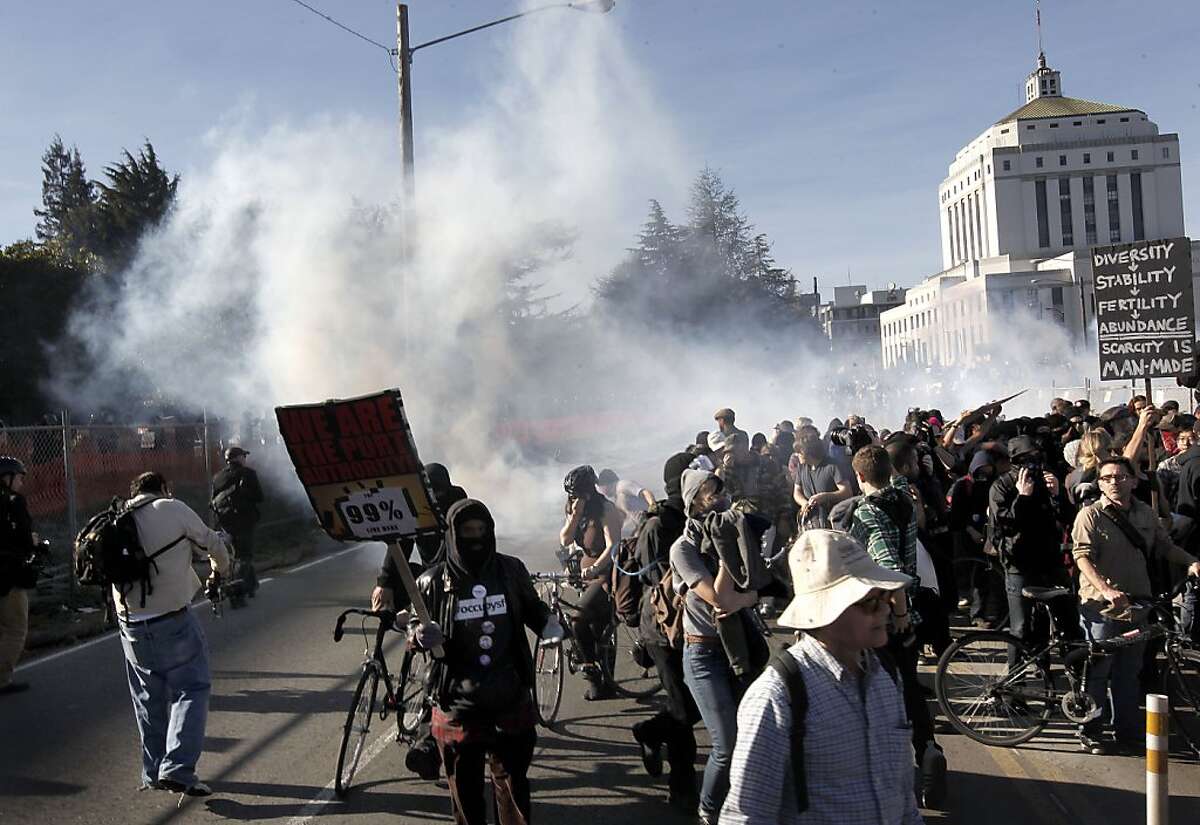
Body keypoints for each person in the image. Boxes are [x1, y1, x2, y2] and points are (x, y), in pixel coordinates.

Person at [720, 530, 922, 825]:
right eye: (870, 602)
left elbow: (904, 799)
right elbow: (746, 816)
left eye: (885, 596)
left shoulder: (887, 675)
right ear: (827, 611)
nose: (885, 610)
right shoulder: (778, 696)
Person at [408, 499, 563, 825]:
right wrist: (418, 634)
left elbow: (533, 608)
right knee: (465, 793)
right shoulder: (432, 581)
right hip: (457, 702)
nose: (476, 537)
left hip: (509, 694)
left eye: (481, 529)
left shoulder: (511, 570)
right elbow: (412, 623)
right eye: (468, 530)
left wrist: (550, 624)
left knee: (513, 786)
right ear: (453, 535)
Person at [838, 445, 945, 808]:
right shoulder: (901, 496)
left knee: (882, 693)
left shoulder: (869, 512)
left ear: (859, 476)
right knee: (910, 686)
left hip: (885, 617)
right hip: (912, 612)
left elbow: (890, 570)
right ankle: (928, 749)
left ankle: (892, 767)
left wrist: (898, 613)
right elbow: (893, 474)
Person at [1070, 456, 1200, 754]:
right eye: (1106, 478)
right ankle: (1090, 730)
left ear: (1132, 480)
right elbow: (1082, 558)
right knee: (1097, 673)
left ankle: (1126, 731)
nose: (1113, 482)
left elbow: (1165, 546)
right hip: (1101, 608)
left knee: (1129, 673)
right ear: (1099, 483)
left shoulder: (1144, 513)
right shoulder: (1090, 515)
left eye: (1119, 477)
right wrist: (1105, 589)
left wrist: (1191, 561)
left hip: (1138, 605)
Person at [117, 472, 231, 796]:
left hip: (130, 624)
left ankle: (153, 772)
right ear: (164, 489)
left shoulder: (119, 517)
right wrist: (219, 572)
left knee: (147, 699)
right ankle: (178, 768)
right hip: (172, 620)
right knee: (192, 688)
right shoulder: (172, 508)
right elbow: (213, 543)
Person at [670, 468, 761, 825]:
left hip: (736, 649)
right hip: (703, 655)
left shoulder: (731, 532)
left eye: (720, 492)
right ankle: (708, 810)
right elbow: (718, 599)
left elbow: (756, 590)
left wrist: (745, 599)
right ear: (694, 503)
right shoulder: (683, 549)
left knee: (752, 737)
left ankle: (743, 804)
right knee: (726, 744)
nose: (720, 499)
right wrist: (725, 552)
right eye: (711, 494)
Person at [372, 461, 468, 781]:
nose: (432, 499)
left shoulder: (457, 507)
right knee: (402, 579)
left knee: (441, 668)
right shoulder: (414, 505)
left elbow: (457, 558)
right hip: (428, 580)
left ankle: (430, 742)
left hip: (455, 586)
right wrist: (384, 583)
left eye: (436, 494)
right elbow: (400, 542)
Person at [632, 453, 702, 813]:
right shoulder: (658, 525)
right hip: (664, 628)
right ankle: (682, 786)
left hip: (699, 623)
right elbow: (655, 578)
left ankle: (651, 731)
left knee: (697, 702)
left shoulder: (698, 518)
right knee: (681, 706)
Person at [988, 436, 1078, 668]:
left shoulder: (1046, 481)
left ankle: (1052, 670)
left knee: (1064, 620)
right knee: (1021, 626)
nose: (1033, 464)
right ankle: (1014, 680)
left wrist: (1058, 494)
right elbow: (1006, 524)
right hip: (1019, 563)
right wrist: (1023, 497)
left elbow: (1069, 518)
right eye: (1026, 459)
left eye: (1037, 457)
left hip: (1050, 560)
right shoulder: (1003, 485)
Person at [559, 465, 623, 699]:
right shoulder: (574, 508)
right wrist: (575, 515)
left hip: (605, 573)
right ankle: (601, 683)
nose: (574, 498)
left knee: (579, 619)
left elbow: (613, 545)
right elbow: (565, 539)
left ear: (589, 491)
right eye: (571, 495)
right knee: (595, 628)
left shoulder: (606, 508)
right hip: (584, 572)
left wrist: (596, 568)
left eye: (578, 493)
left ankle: (594, 672)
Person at [210, 446, 264, 606]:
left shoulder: (217, 477)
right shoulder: (248, 473)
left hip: (225, 522)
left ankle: (251, 585)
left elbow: (213, 501)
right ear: (239, 458)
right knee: (243, 556)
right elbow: (259, 497)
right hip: (244, 520)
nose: (245, 459)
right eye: (243, 456)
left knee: (238, 552)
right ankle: (236, 595)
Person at [0, 457, 36, 695]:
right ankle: (1, 679)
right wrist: (33, 543)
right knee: (15, 629)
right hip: (8, 575)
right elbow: (24, 538)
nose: (21, 483)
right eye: (19, 478)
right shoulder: (13, 502)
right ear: (7, 478)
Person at [791, 436, 851, 531]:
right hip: (811, 523)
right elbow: (797, 491)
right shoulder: (801, 468)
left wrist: (825, 496)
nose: (797, 455)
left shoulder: (832, 466)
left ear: (809, 453)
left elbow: (847, 492)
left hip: (833, 522)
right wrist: (804, 503)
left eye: (799, 452)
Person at [597, 468, 656, 536]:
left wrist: (653, 506)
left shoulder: (623, 485)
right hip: (640, 527)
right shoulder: (616, 498)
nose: (601, 491)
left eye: (601, 487)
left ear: (606, 484)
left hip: (648, 521)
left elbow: (645, 492)